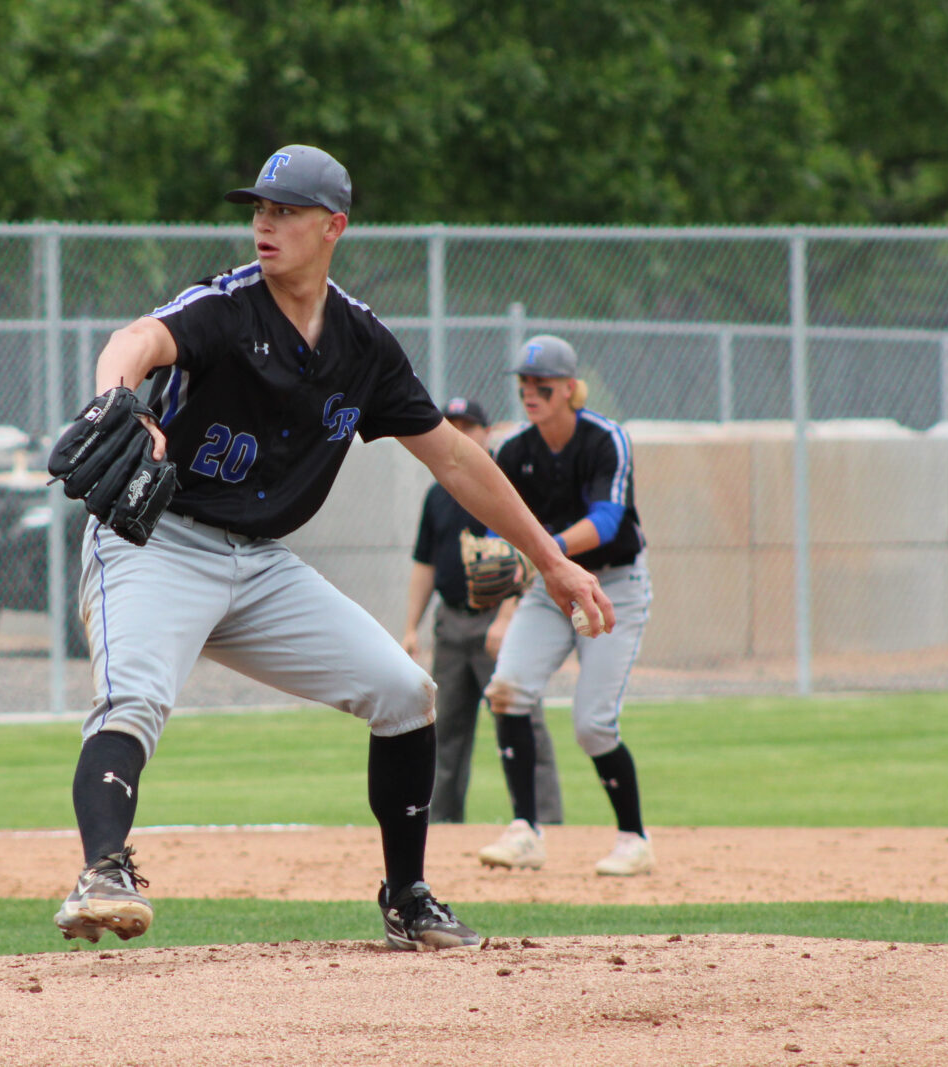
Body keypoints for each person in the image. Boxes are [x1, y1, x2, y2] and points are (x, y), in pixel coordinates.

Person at [51, 145, 615, 952]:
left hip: (259, 565)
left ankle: (408, 897)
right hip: (158, 544)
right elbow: (137, 339)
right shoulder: (228, 307)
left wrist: (554, 560)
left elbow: (455, 457)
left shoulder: (362, 346)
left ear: (333, 227)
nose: (264, 223)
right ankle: (102, 871)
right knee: (133, 697)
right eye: (259, 208)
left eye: (285, 210)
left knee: (404, 692)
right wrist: (115, 395)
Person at [476, 335, 654, 876]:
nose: (531, 393)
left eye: (544, 386)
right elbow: (496, 524)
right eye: (525, 385)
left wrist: (545, 551)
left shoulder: (606, 440)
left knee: (592, 725)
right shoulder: (514, 451)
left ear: (570, 390)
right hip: (549, 590)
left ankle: (634, 840)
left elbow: (607, 521)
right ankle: (525, 831)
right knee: (506, 692)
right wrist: (498, 564)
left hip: (613, 584)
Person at [401, 396, 563, 829]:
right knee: (445, 732)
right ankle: (443, 827)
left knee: (521, 717)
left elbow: (527, 553)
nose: (459, 431)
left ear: (487, 433)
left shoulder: (501, 486)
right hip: (451, 623)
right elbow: (425, 564)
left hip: (500, 620)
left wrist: (508, 617)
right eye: (451, 424)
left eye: (468, 425)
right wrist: (410, 628)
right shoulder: (438, 493)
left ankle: (544, 821)